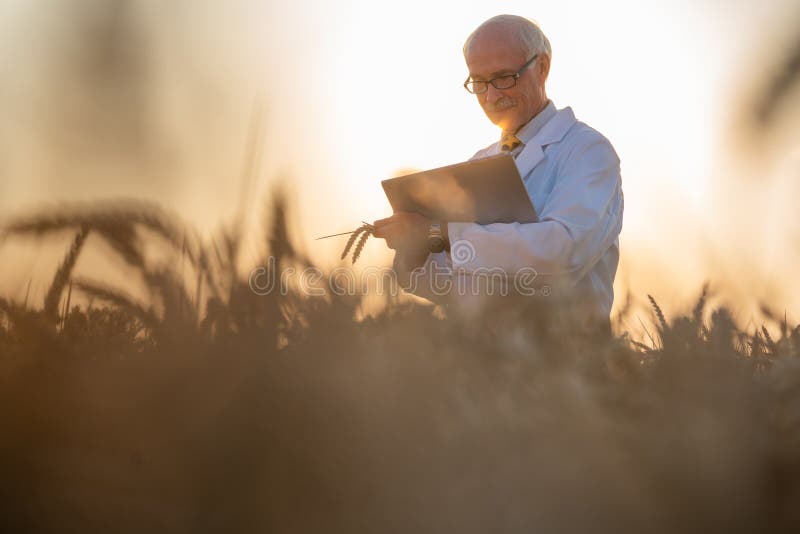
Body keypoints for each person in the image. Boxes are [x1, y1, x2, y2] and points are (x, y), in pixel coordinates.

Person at [373, 14, 623, 326]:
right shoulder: (480, 161)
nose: (491, 96)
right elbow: (455, 283)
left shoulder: (587, 150)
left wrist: (442, 233)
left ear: (542, 67)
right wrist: (416, 248)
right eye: (479, 82)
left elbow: (562, 253)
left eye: (504, 77)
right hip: (489, 363)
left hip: (568, 359)